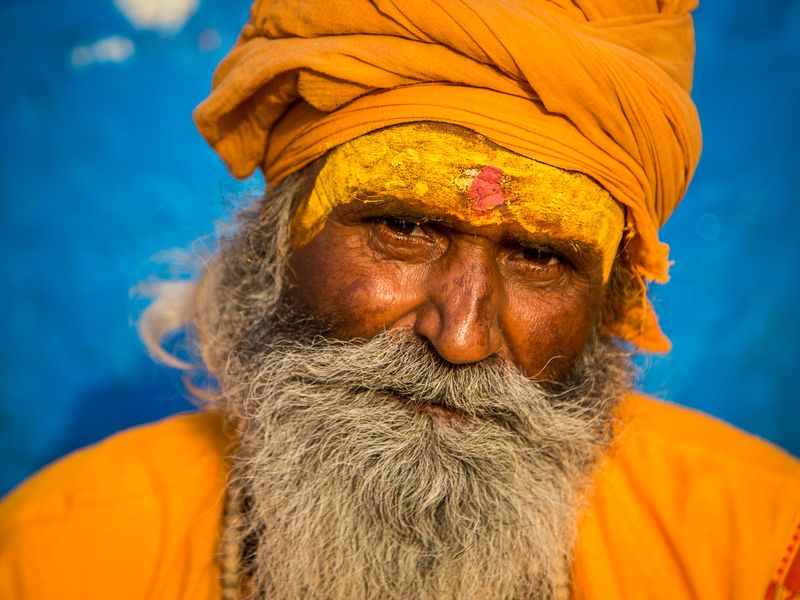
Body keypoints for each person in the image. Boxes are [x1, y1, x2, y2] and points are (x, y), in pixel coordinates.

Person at [1, 0, 799, 598]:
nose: (461, 335)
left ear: (606, 302)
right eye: (406, 227)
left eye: (539, 256)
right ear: (273, 248)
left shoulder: (757, 548)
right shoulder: (59, 557)